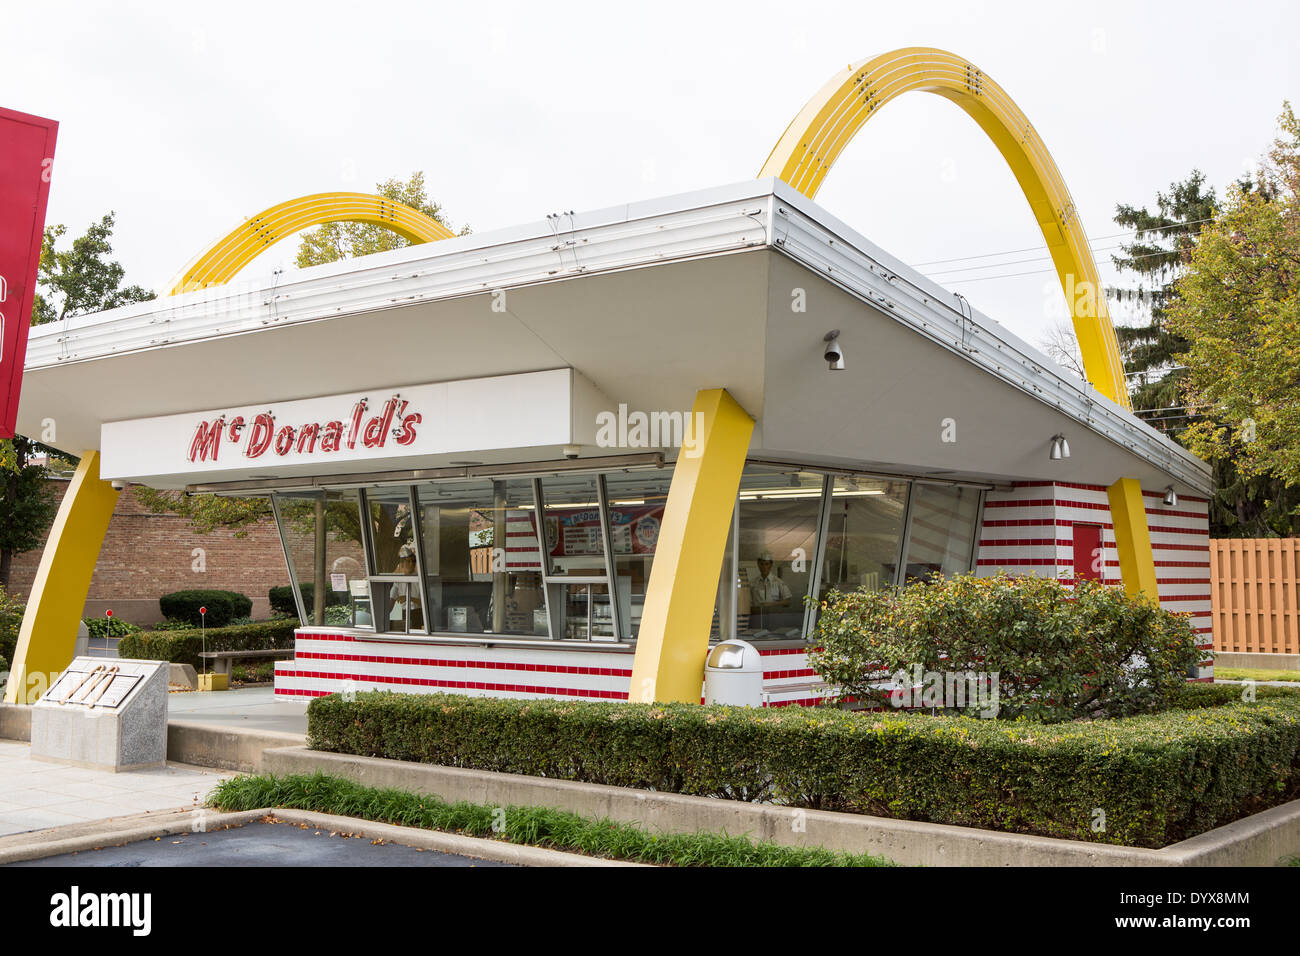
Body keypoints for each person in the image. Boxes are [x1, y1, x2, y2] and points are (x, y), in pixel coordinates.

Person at [749, 551, 796, 630]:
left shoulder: (778, 582)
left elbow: (788, 601)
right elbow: (748, 604)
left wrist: (771, 604)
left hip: (774, 619)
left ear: (770, 565)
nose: (764, 567)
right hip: (757, 619)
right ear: (758, 564)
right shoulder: (753, 583)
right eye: (762, 564)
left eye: (766, 564)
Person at [388, 548, 424, 631]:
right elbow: (391, 602)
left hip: (419, 615)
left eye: (413, 561)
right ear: (402, 563)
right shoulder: (398, 581)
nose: (411, 563)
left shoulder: (419, 579)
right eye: (408, 561)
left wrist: (408, 598)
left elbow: (426, 603)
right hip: (404, 614)